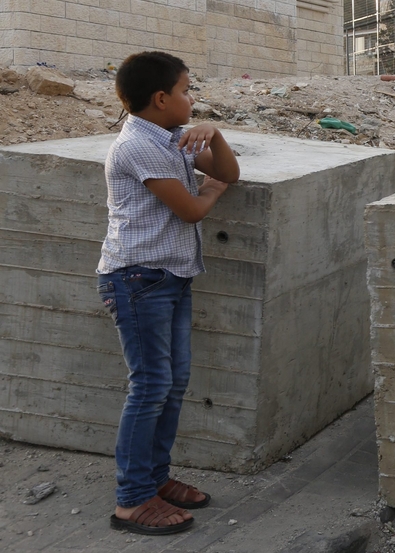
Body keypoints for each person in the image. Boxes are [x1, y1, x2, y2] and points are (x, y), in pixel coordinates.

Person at [100, 52, 240, 536]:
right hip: (138, 279)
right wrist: (212, 192)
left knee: (172, 384)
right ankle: (132, 499)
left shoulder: (171, 138)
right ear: (161, 99)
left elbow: (229, 171)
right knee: (150, 387)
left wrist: (215, 135)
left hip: (169, 277)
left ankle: (154, 480)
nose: (192, 97)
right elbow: (191, 210)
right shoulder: (137, 147)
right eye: (186, 90)